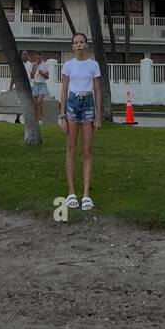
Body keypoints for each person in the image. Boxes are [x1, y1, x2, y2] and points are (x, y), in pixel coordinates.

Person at [59, 33, 101, 211]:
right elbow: (64, 90)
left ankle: (86, 195)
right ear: (72, 46)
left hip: (88, 105)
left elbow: (98, 91)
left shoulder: (93, 65)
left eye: (81, 42)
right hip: (72, 106)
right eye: (75, 43)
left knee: (87, 151)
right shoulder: (68, 65)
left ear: (86, 45)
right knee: (70, 149)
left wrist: (98, 116)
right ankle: (71, 192)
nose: (79, 45)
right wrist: (62, 116)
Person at [30, 51, 49, 123]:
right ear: (35, 57)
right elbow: (31, 76)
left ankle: (40, 119)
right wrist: (34, 69)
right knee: (35, 104)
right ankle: (35, 119)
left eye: (39, 58)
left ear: (42, 57)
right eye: (37, 58)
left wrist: (42, 73)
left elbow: (47, 77)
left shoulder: (45, 65)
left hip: (42, 85)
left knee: (39, 102)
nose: (38, 59)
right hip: (35, 85)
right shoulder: (33, 64)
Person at [13, 50, 32, 124]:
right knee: (20, 103)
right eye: (24, 54)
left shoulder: (30, 64)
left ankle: (27, 119)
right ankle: (17, 118)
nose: (26, 55)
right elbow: (13, 77)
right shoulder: (18, 65)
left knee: (28, 103)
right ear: (21, 56)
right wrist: (11, 87)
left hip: (28, 87)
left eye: (27, 54)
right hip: (19, 87)